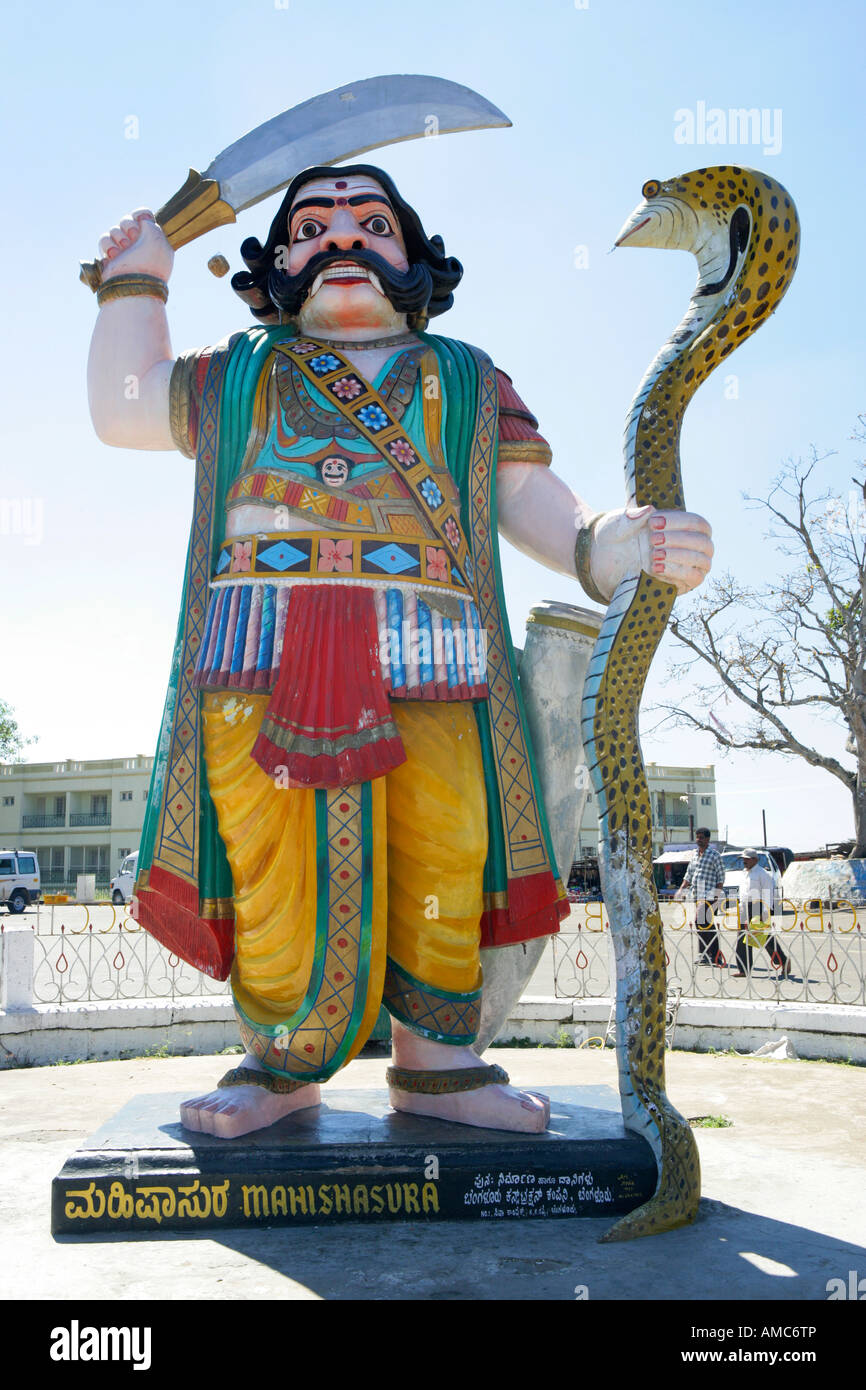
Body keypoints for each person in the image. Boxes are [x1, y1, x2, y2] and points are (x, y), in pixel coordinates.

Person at [86, 165, 713, 1138]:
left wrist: (606, 546)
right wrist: (138, 278)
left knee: (445, 842)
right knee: (269, 854)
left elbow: (526, 500)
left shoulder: (464, 375)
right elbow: (123, 408)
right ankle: (282, 1059)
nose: (341, 239)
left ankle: (437, 1065)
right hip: (261, 638)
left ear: (415, 259)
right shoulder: (233, 371)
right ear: (277, 262)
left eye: (371, 222)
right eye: (312, 226)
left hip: (433, 639)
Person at [734, 849, 792, 979]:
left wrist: (765, 912)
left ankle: (783, 960)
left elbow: (768, 894)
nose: (744, 861)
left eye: (747, 859)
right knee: (742, 938)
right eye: (743, 859)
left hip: (757, 906)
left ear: (755, 860)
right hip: (745, 907)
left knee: (764, 938)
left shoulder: (762, 874)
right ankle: (743, 969)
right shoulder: (744, 873)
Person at [676, 827, 725, 965]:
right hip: (697, 896)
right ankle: (706, 954)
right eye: (697, 837)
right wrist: (681, 890)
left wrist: (717, 895)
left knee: (701, 922)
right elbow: (689, 875)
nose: (699, 840)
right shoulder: (695, 856)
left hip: (710, 895)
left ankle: (714, 955)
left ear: (708, 839)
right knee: (704, 924)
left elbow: (721, 877)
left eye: (701, 837)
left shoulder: (714, 856)